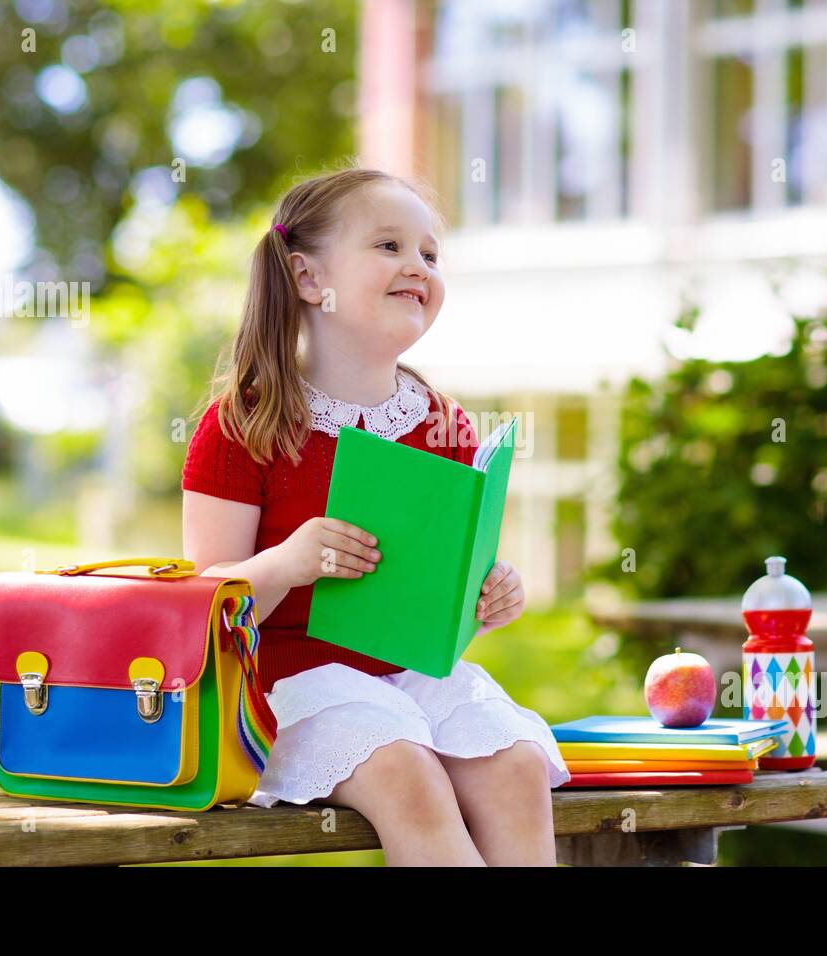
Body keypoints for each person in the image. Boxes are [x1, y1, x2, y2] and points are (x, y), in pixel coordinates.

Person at [180, 165, 571, 866]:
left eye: (429, 253)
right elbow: (204, 610)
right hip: (288, 685)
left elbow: (427, 595)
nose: (417, 266)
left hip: (409, 679)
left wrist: (484, 593)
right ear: (307, 278)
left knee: (514, 767)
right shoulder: (245, 422)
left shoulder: (441, 422)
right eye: (388, 246)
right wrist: (287, 561)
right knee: (405, 773)